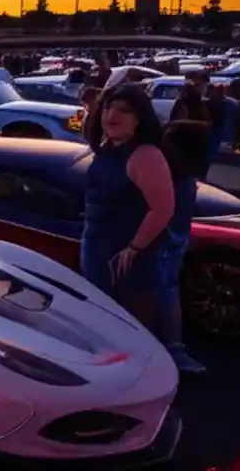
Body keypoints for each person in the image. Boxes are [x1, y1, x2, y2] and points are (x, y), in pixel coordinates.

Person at [81, 84, 175, 328]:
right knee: (100, 316)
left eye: (123, 110)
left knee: (125, 321)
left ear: (138, 119)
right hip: (97, 245)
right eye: (108, 108)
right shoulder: (108, 149)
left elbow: (162, 209)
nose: (111, 115)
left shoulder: (145, 155)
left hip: (124, 253)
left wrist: (134, 248)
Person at [156, 120, 209, 374]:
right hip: (176, 237)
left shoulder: (172, 176)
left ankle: (171, 349)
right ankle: (173, 347)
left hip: (165, 240)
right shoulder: (186, 176)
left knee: (163, 292)